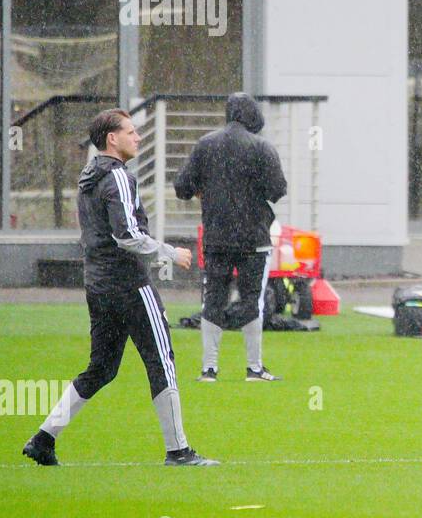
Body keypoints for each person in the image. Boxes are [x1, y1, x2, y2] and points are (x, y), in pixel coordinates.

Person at [22, 109, 217, 467]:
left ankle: (43, 439)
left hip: (97, 284)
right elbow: (126, 235)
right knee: (162, 362)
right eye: (131, 132)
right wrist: (170, 252)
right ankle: (179, 451)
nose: (138, 137)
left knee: (101, 369)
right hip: (130, 285)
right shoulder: (119, 177)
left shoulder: (89, 177)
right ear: (112, 138)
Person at [175, 93, 287, 383]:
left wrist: (206, 188)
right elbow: (277, 189)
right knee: (253, 300)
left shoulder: (205, 145)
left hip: (216, 237)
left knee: (213, 299)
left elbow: (182, 187)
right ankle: (254, 368)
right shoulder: (262, 148)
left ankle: (209, 369)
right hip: (254, 238)